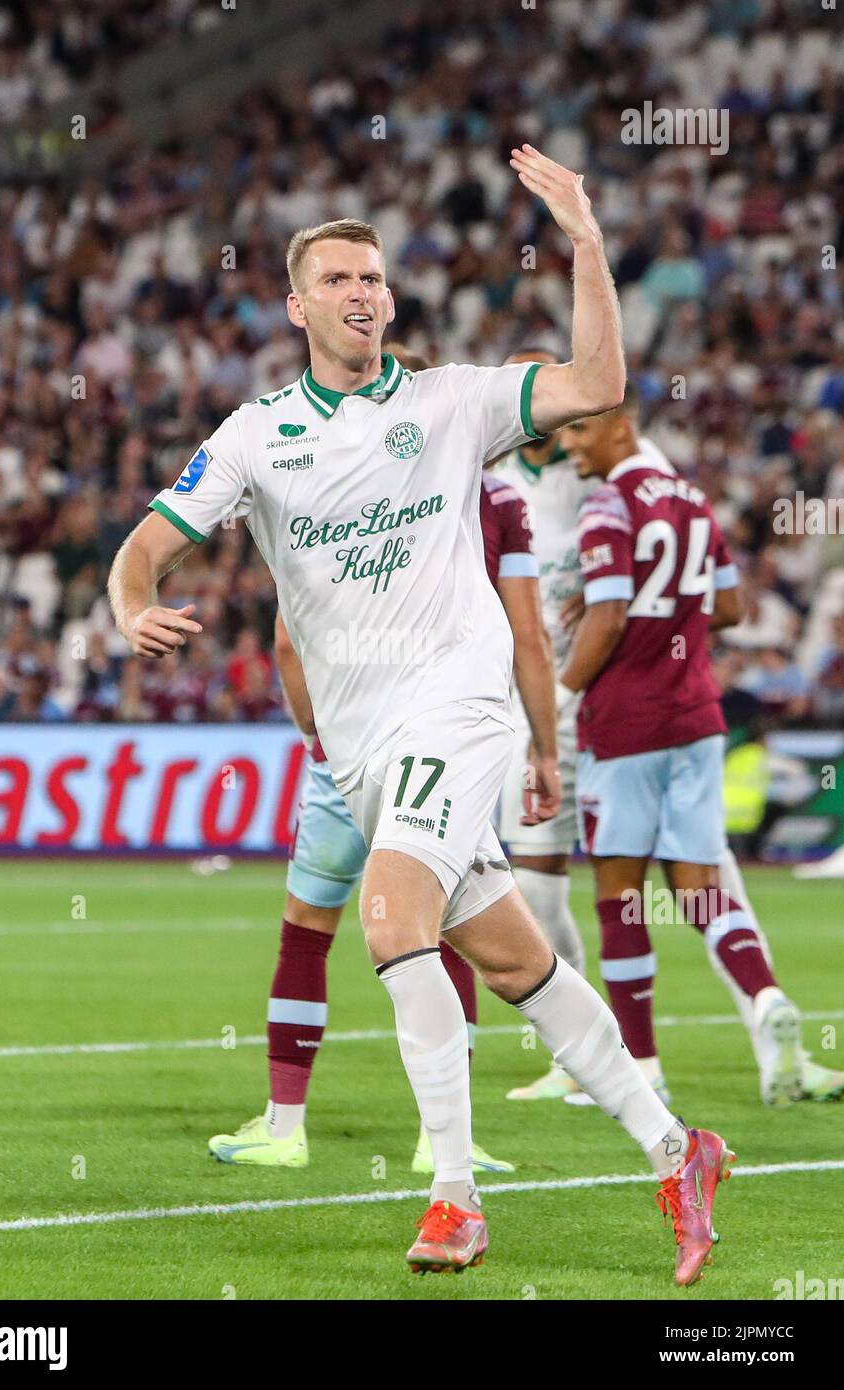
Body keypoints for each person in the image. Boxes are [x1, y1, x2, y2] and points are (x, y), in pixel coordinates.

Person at [109, 146, 733, 1286]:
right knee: (514, 961)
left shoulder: (453, 401)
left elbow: (596, 382)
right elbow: (146, 547)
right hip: (362, 747)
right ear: (297, 303)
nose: (362, 294)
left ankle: (455, 1198)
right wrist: (132, 605)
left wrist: (586, 240)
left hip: (458, 702)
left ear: (391, 298)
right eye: (339, 279)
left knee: (389, 916)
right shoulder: (255, 434)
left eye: (375, 278)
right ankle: (675, 1145)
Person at [207, 344, 559, 1175]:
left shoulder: (334, 474)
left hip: (352, 743)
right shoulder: (497, 497)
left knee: (308, 930)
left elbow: (293, 638)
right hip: (449, 741)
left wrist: (315, 734)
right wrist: (544, 747)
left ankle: (285, 1125)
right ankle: (444, 1142)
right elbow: (528, 633)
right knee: (454, 925)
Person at [498, 362, 843, 1105]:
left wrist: (561, 692)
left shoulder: (607, 506)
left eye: (584, 427)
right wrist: (671, 621)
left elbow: (610, 615)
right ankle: (765, 1002)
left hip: (620, 721)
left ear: (621, 426)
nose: (574, 441)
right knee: (699, 885)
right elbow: (731, 607)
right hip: (697, 717)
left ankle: (641, 1066)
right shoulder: (688, 498)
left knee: (620, 897)